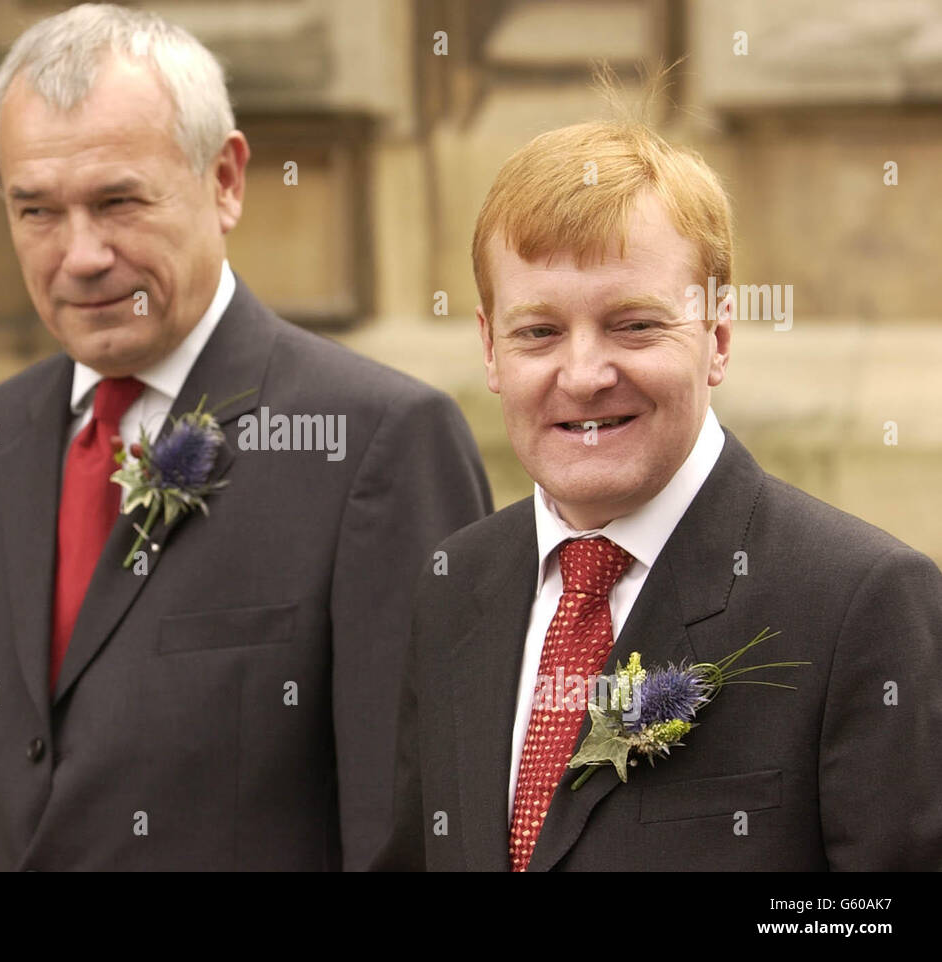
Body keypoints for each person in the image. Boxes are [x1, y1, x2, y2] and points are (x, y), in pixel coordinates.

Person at [0, 3, 490, 871]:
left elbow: (419, 834)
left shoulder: (378, 442)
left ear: (225, 180)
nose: (80, 255)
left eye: (118, 201)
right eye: (36, 211)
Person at [373, 114, 942, 871]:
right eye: (538, 332)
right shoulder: (455, 585)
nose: (583, 375)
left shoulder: (862, 603)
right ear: (488, 348)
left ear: (720, 335)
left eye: (633, 326)